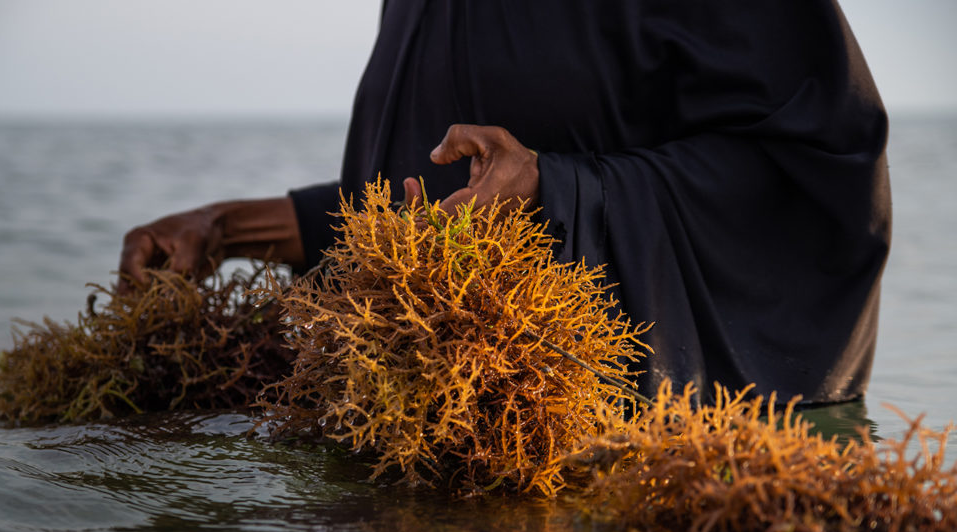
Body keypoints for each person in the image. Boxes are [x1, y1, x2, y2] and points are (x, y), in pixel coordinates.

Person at [119, 1, 890, 404]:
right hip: (430, 479)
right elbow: (421, 204)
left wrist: (556, 191)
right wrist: (231, 226)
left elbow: (814, 174)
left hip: (620, 477)